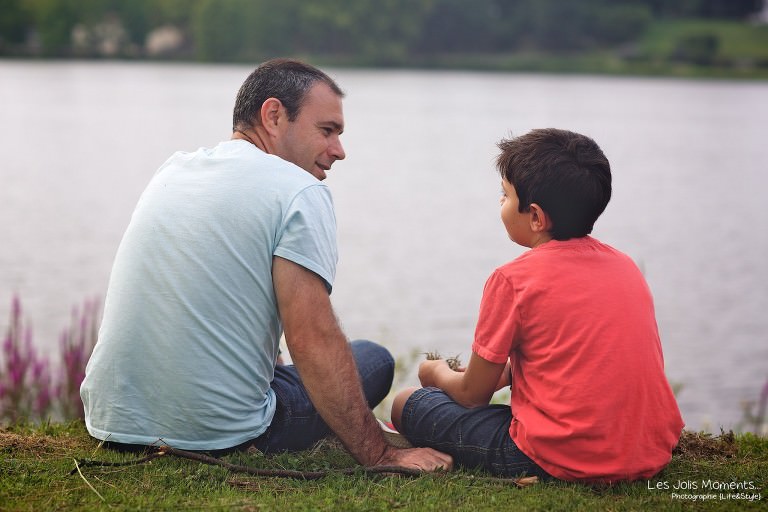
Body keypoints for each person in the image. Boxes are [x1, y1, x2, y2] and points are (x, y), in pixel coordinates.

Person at [80, 59, 452, 472]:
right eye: (327, 131)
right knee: (375, 360)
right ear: (273, 116)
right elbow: (312, 340)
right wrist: (380, 454)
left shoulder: (175, 169)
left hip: (110, 424)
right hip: (221, 436)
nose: (339, 151)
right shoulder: (299, 191)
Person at [390, 128, 683, 483]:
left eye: (506, 195)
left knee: (407, 403)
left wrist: (433, 373)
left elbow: (471, 397)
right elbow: (585, 359)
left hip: (560, 459)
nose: (500, 202)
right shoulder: (626, 267)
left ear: (536, 218)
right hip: (648, 449)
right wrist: (511, 374)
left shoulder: (513, 280)